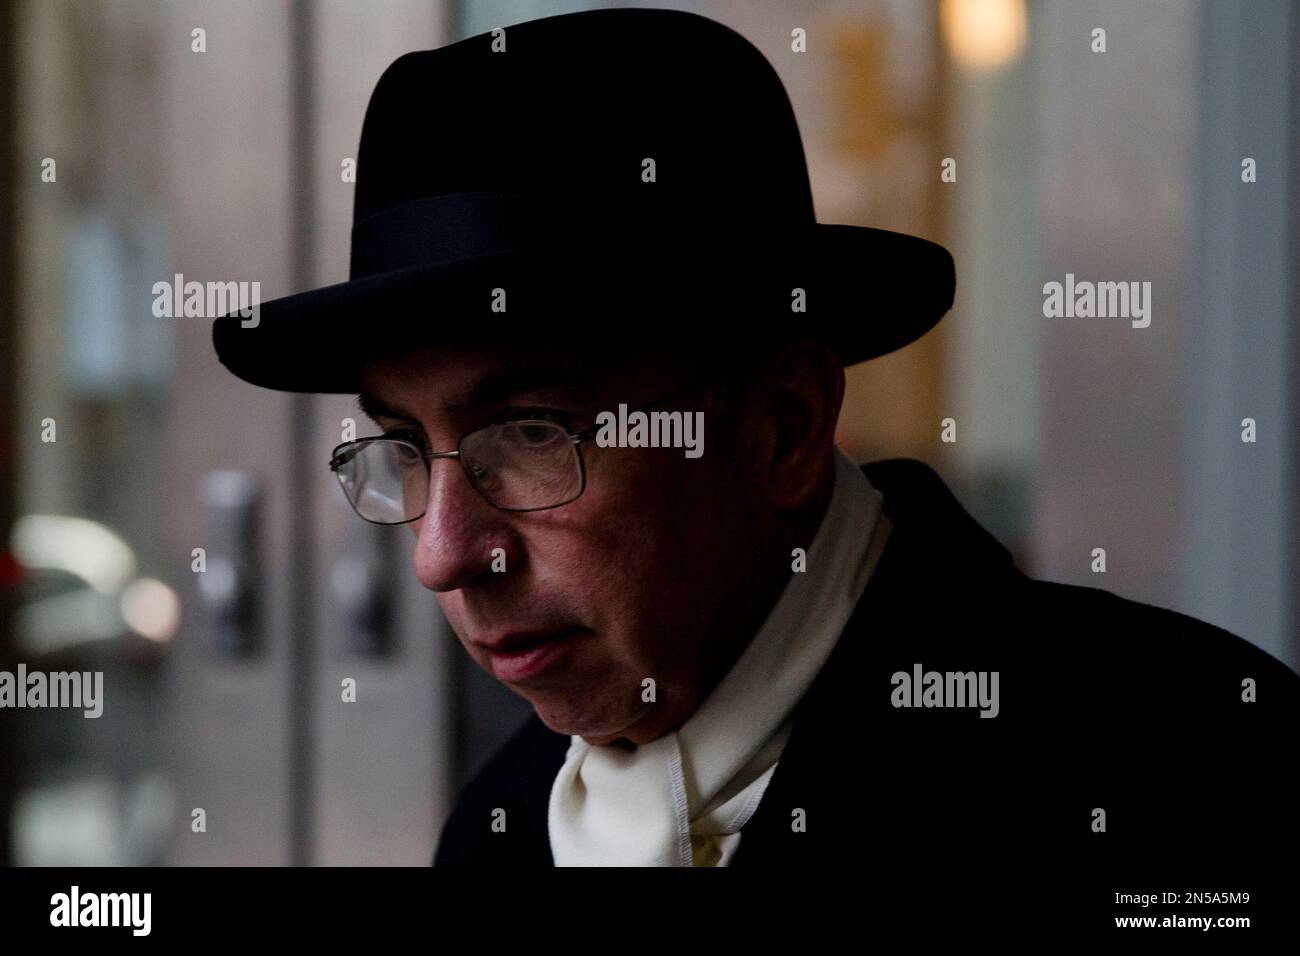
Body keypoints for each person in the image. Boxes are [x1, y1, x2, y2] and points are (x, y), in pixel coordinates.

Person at [213, 8, 1299, 882]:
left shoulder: (1187, 771)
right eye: (405, 447)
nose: (443, 554)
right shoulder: (496, 826)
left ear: (781, 426)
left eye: (528, 434)